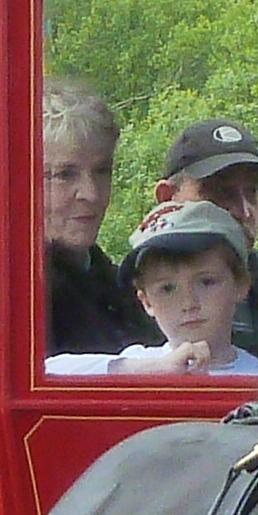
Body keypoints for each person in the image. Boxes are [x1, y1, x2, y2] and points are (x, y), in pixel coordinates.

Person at [41, 77, 158, 361]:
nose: (91, 194)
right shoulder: (15, 296)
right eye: (65, 174)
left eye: (102, 171)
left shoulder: (123, 287)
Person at [151, 118, 258, 357]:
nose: (243, 211)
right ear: (167, 198)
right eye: (220, 192)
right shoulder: (127, 300)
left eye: (253, 192)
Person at [122, 202, 258, 376]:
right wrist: (150, 368)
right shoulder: (134, 366)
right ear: (147, 302)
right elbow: (81, 367)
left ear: (241, 284)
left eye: (206, 282)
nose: (189, 303)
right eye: (167, 288)